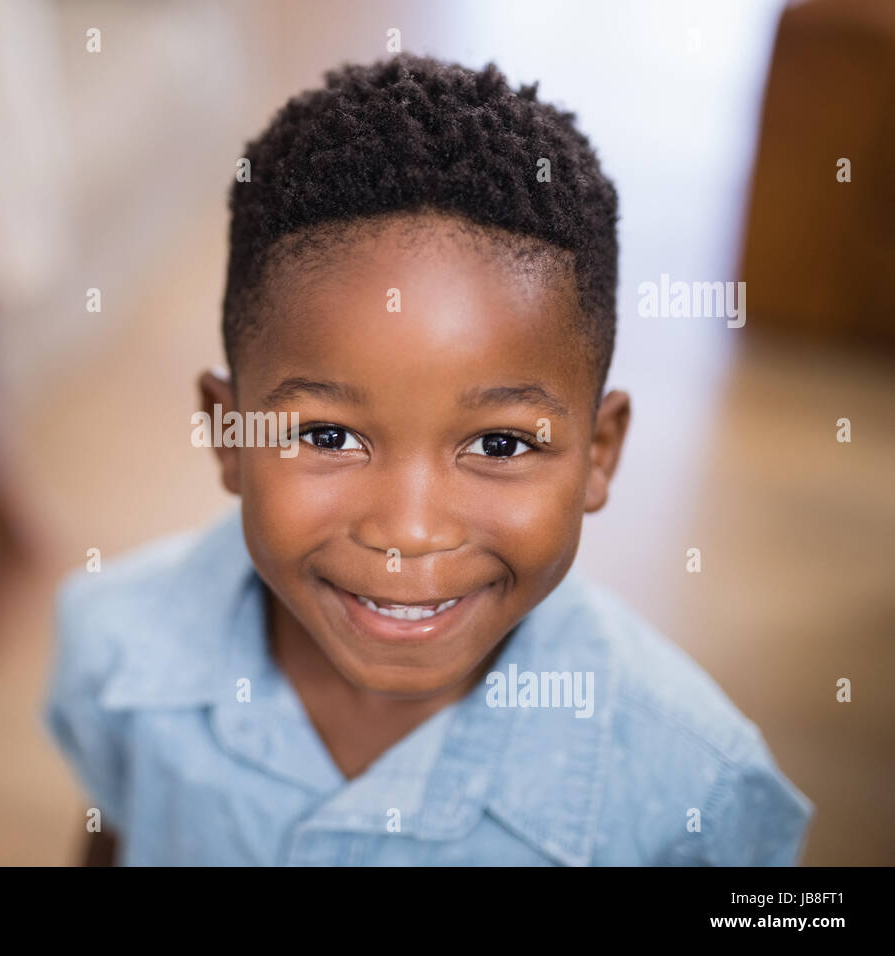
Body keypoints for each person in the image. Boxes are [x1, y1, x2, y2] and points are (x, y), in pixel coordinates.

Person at [41, 54, 814, 866]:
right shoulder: (120, 651)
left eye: (501, 444)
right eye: (329, 437)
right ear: (229, 432)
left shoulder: (695, 790)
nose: (408, 529)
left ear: (599, 453)